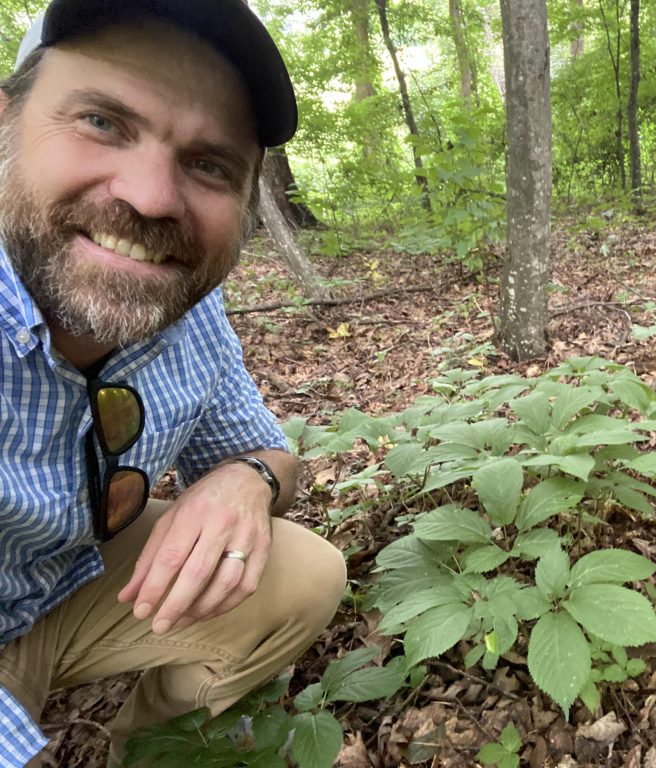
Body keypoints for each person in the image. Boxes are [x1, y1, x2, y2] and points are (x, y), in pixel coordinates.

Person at [0, 1, 348, 766]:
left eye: (208, 164)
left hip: (65, 579)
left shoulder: (180, 299)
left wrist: (247, 480)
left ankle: (153, 750)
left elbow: (268, 449)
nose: (152, 197)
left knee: (304, 572)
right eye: (101, 121)